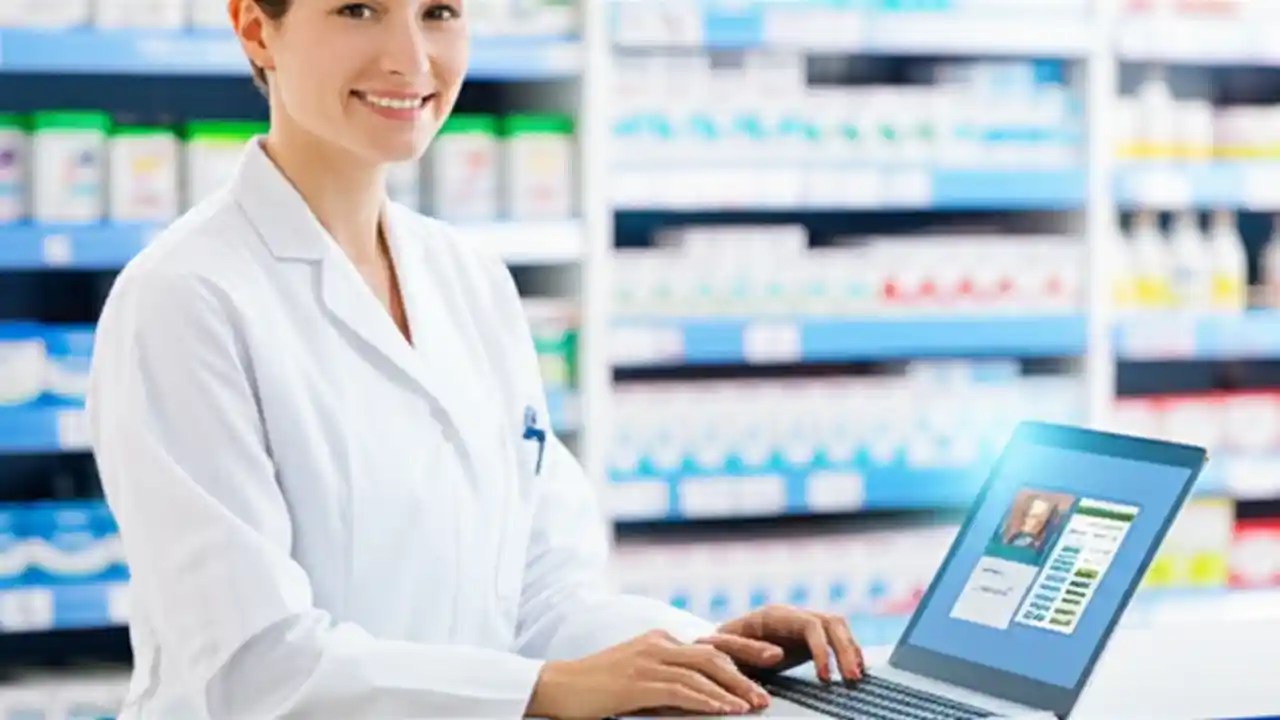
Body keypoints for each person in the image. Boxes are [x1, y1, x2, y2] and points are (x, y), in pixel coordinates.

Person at [86, 1, 865, 717]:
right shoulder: (185, 298)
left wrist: (705, 651)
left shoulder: (469, 279)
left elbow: (540, 596)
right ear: (257, 29)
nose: (411, 59)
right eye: (359, 10)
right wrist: (547, 689)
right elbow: (253, 666)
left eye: (439, 12)